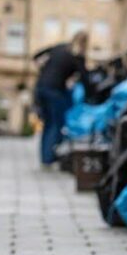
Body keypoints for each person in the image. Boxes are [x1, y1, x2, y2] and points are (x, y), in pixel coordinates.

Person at [33, 31, 88, 166]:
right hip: (55, 91)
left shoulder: (59, 47)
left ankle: (45, 158)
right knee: (56, 124)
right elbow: (85, 78)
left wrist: (44, 70)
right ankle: (50, 158)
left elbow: (36, 56)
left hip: (41, 87)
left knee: (48, 124)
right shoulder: (77, 56)